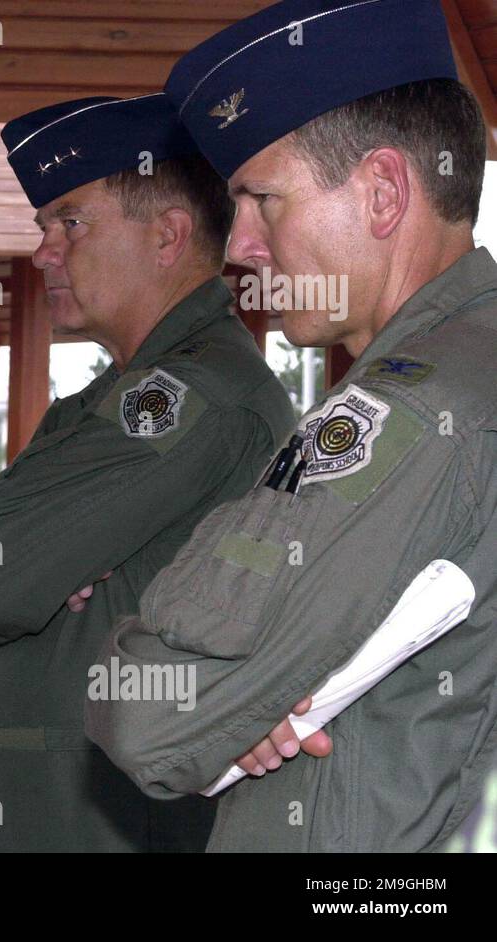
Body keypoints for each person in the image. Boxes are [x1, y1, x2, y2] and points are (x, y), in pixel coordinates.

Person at [86, 0, 496, 852]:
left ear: (383, 191)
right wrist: (241, 697)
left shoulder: (414, 409)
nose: (239, 246)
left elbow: (143, 714)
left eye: (261, 198)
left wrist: (191, 683)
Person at [0, 94, 293, 851]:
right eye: (43, 227)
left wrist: (30, 563)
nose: (43, 252)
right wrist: (33, 563)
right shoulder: (118, 392)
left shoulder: (195, 395)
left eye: (71, 221)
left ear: (168, 234)